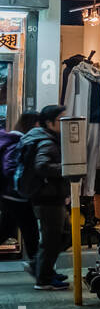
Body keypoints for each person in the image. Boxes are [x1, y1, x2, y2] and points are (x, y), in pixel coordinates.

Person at [16, 106, 69, 291]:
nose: (65, 122)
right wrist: (67, 168)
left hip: (49, 196)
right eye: (61, 118)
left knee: (61, 236)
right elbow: (42, 166)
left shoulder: (46, 138)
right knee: (52, 239)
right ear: (49, 122)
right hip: (47, 198)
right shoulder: (47, 142)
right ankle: (44, 279)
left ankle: (41, 268)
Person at [0, 112, 40, 275]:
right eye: (38, 124)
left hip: (12, 195)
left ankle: (39, 269)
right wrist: (21, 181)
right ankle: (39, 271)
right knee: (30, 231)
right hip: (16, 195)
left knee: (7, 230)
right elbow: (9, 168)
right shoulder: (18, 140)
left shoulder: (16, 139)